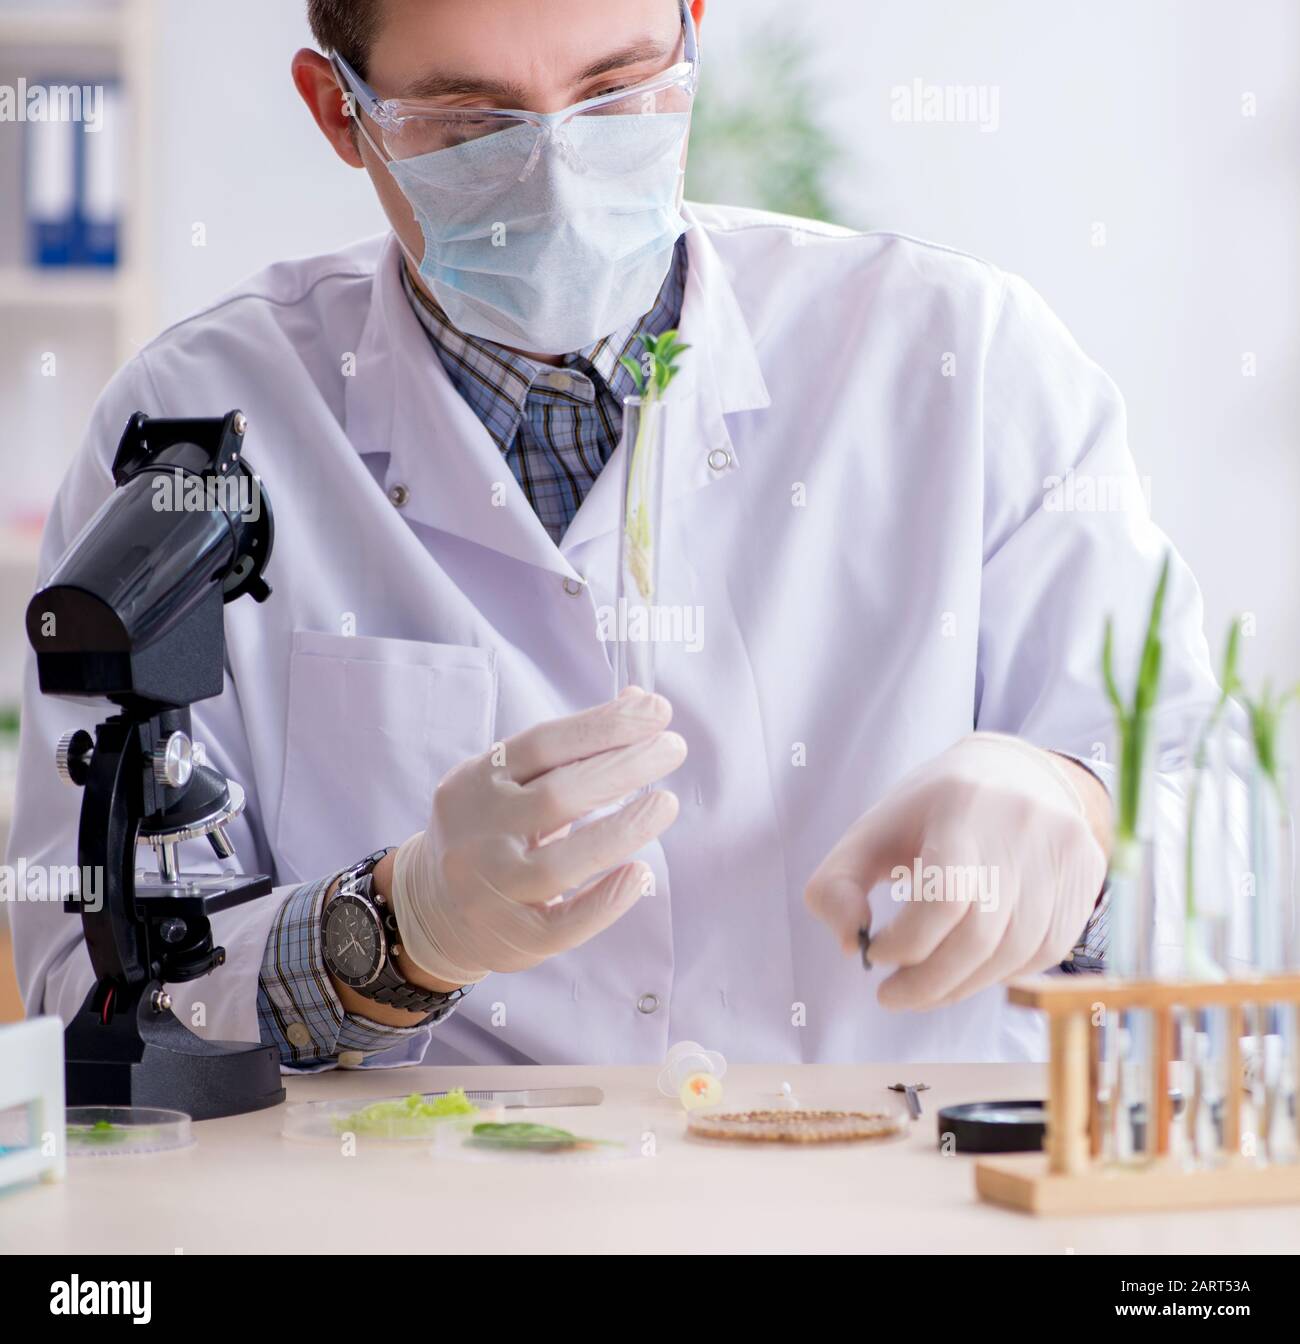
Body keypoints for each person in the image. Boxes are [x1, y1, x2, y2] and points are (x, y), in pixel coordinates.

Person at [10, 0, 1217, 1069]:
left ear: (694, 36)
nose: (559, 182)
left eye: (615, 92)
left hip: (892, 1203)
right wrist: (394, 928)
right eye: (470, 122)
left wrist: (1076, 817)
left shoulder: (967, 364)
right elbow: (92, 997)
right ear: (340, 111)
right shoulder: (198, 429)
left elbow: (1222, 874)